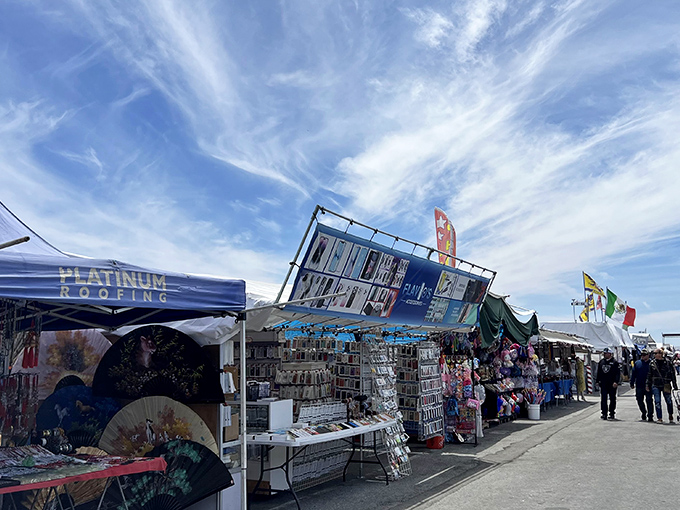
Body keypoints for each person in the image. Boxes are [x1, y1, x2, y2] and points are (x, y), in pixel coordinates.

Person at [646, 348, 678, 423]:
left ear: (660, 354)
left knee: (669, 401)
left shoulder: (667, 362)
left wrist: (674, 384)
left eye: (655, 353)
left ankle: (670, 414)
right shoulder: (652, 363)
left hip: (666, 384)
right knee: (657, 401)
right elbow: (649, 375)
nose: (654, 355)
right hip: (656, 384)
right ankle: (659, 418)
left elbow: (672, 373)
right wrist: (648, 384)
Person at [596, 347, 620, 420]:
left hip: (612, 384)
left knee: (612, 399)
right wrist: (597, 381)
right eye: (604, 353)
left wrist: (616, 381)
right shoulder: (601, 362)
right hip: (603, 384)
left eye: (606, 353)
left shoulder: (615, 362)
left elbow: (617, 373)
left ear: (610, 354)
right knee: (603, 399)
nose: (605, 355)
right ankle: (604, 413)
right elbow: (599, 372)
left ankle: (612, 413)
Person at [630, 349, 653, 422]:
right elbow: (633, 374)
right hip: (639, 385)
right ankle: (643, 412)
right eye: (642, 355)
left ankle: (650, 415)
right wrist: (632, 383)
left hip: (649, 385)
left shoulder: (652, 363)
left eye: (644, 355)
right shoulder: (637, 363)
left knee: (649, 400)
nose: (642, 356)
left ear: (648, 355)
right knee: (639, 399)